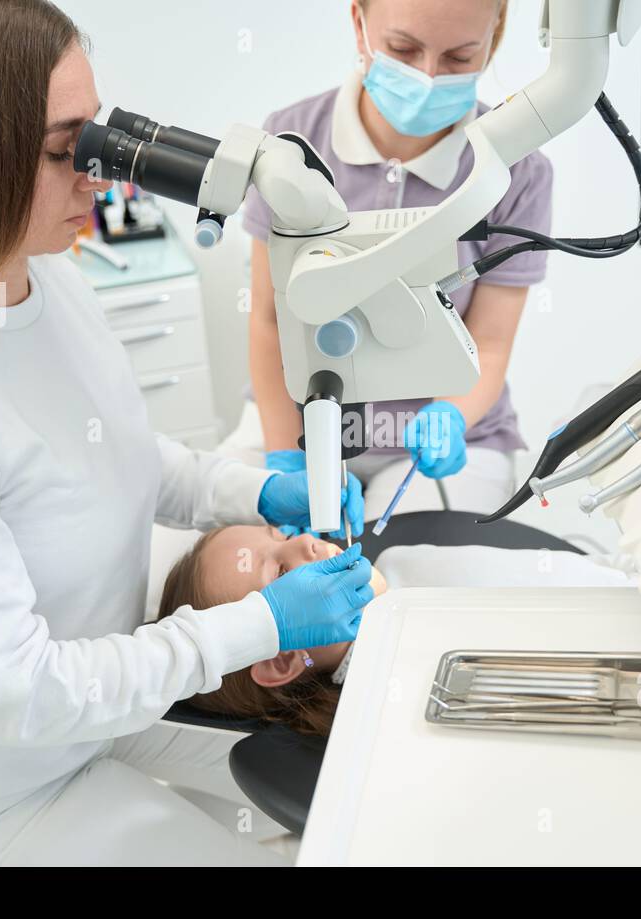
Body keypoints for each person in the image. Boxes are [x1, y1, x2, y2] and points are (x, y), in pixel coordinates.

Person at [0, 0, 371, 866]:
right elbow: (19, 694)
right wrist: (259, 624)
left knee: (352, 805)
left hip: (100, 715)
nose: (98, 178)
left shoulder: (49, 284)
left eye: (95, 140)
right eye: (67, 152)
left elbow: (118, 458)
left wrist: (251, 487)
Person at [219, 0, 553, 527]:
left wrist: (450, 416)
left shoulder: (516, 171)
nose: (427, 77)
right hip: (296, 417)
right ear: (358, 22)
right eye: (403, 49)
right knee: (229, 560)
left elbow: (488, 342)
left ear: (495, 36)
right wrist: (286, 458)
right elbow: (267, 322)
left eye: (459, 57)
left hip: (439, 431)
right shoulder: (288, 145)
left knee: (413, 574)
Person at [156, 525, 632, 734]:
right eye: (280, 573)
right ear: (281, 660)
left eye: (279, 534)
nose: (304, 541)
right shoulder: (410, 682)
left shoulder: (397, 566)